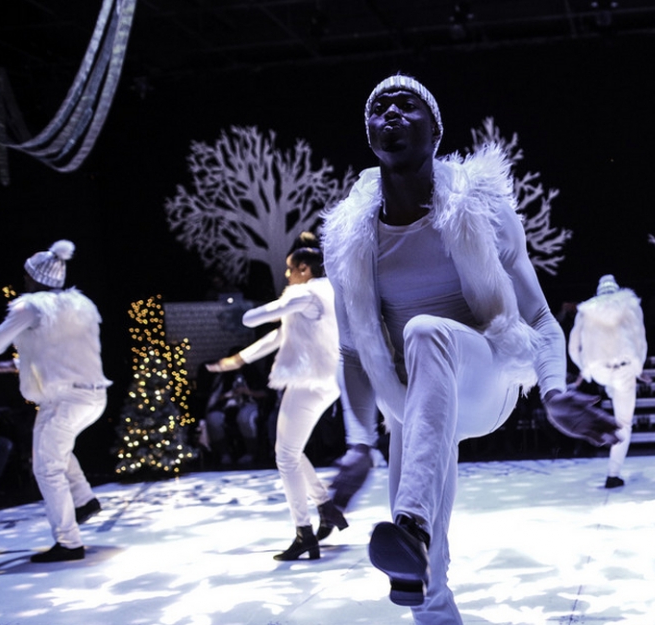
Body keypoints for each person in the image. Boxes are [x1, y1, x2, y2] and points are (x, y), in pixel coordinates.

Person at [320, 74, 619, 622]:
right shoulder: (348, 238)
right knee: (417, 583)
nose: (390, 112)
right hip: (413, 404)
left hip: (487, 379)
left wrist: (553, 392)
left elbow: (541, 317)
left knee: (424, 333)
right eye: (378, 107)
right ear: (369, 136)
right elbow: (353, 353)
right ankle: (421, 562)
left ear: (435, 132)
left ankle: (411, 524)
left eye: (405, 105)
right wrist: (360, 444)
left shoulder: (480, 207)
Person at [206, 232, 349, 560]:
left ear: (303, 268)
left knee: (285, 456)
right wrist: (238, 360)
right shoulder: (326, 295)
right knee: (292, 451)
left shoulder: (309, 293)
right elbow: (280, 335)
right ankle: (326, 508)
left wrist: (245, 313)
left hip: (308, 383)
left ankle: (305, 533)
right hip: (325, 382)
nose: (286, 275)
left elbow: (257, 318)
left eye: (289, 270)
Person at [0, 240, 110, 563]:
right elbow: (58, 354)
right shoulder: (81, 306)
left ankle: (69, 543)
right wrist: (15, 365)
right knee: (52, 451)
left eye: (27, 276)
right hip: (92, 396)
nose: (24, 281)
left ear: (36, 278)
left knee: (46, 468)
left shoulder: (30, 306)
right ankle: (83, 500)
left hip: (64, 399)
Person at [568, 274, 648, 489]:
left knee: (612, 388)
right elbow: (640, 338)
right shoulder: (630, 305)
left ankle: (610, 392)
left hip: (600, 370)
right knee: (624, 423)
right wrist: (638, 368)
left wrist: (584, 369)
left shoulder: (586, 311)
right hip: (623, 369)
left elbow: (573, 346)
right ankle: (613, 474)